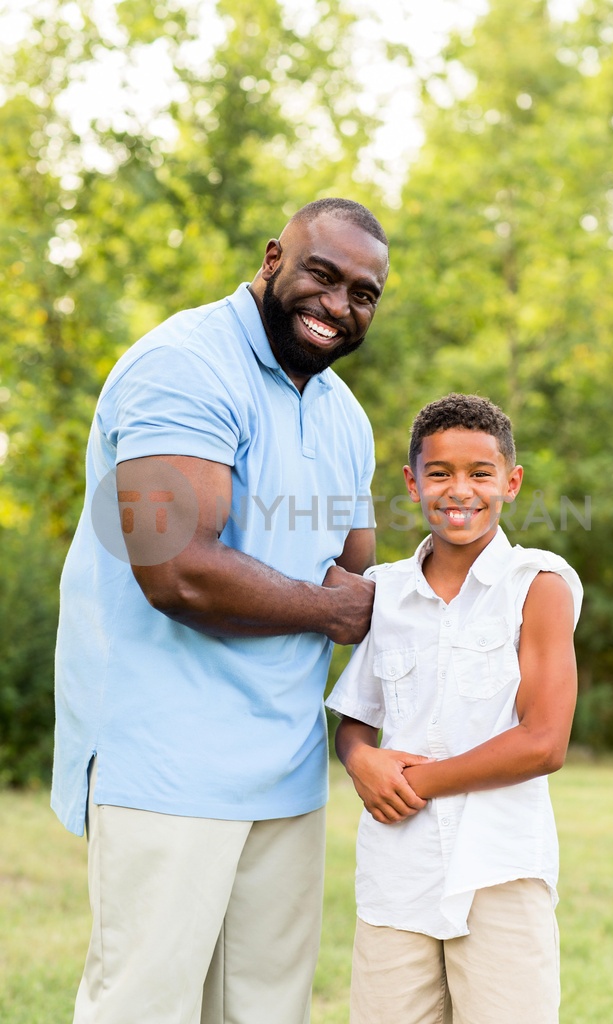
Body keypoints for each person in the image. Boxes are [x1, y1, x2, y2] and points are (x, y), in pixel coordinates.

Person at [52, 198, 390, 1024]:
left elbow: (357, 578)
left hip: (284, 767)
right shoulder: (184, 366)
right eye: (322, 273)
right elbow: (178, 574)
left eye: (363, 292)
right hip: (167, 759)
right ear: (274, 258)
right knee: (145, 1007)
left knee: (264, 1012)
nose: (338, 305)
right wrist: (328, 610)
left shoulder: (343, 414)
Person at [326, 393, 583, 1024]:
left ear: (511, 483)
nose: (459, 490)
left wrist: (411, 780)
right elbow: (356, 723)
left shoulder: (539, 584)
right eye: (439, 473)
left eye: (480, 473)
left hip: (499, 866)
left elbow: (544, 741)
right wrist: (361, 761)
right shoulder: (385, 590)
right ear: (413, 483)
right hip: (397, 873)